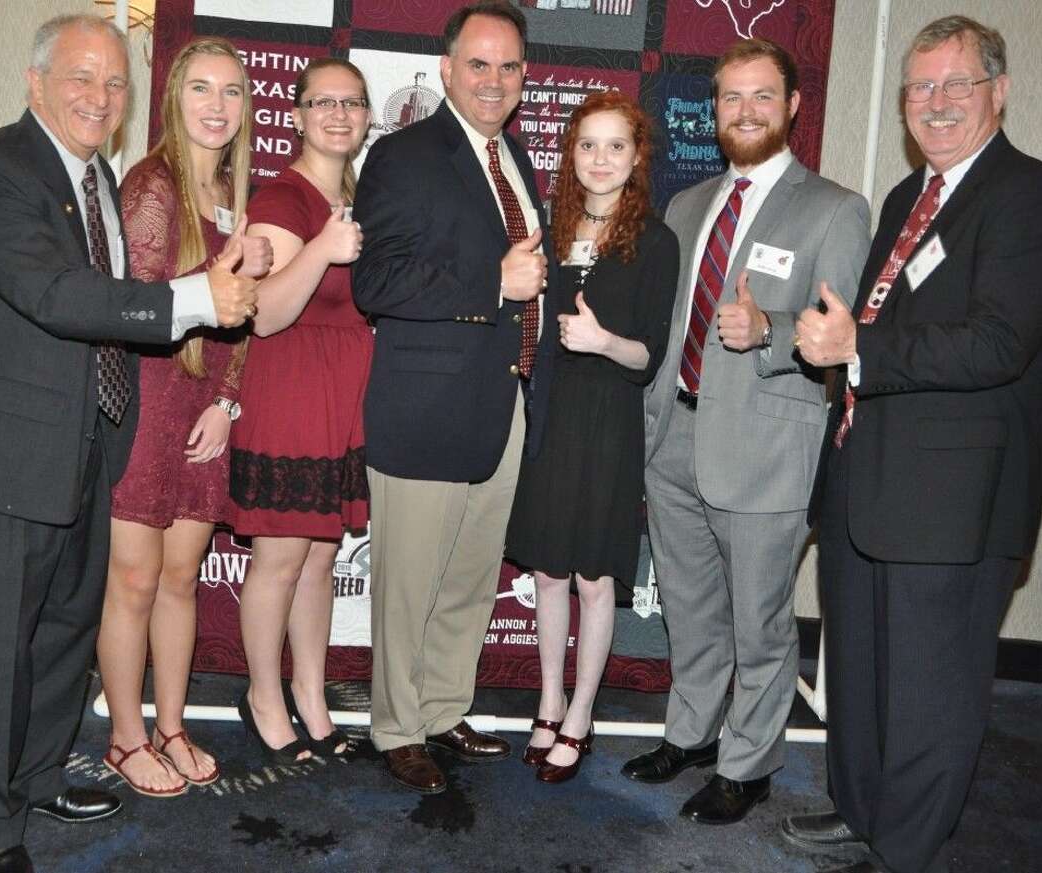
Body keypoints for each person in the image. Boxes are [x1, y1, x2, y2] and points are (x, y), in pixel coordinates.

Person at [0, 14, 257, 873]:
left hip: (81, 455)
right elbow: (57, 295)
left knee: (63, 636)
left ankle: (35, 779)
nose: (98, 97)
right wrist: (196, 299)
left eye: (113, 83)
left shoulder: (99, 176)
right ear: (35, 82)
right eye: (79, 77)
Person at [782, 16, 1042, 873]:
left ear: (1000, 91)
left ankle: (906, 849)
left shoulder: (1032, 196)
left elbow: (999, 344)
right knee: (862, 670)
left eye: (957, 83)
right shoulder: (906, 200)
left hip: (954, 501)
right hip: (869, 479)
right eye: (920, 87)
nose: (937, 102)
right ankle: (863, 813)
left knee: (930, 689)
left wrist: (858, 348)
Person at [623, 38, 870, 825]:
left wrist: (770, 331)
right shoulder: (688, 205)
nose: (746, 111)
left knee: (759, 623)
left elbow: (843, 332)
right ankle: (692, 733)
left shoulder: (835, 208)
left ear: (793, 105)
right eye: (731, 97)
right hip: (675, 438)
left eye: (763, 95)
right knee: (691, 608)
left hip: (766, 452)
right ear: (715, 109)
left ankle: (749, 763)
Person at [352, 0, 559, 794]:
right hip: (425, 408)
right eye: (478, 64)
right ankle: (398, 727)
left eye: (509, 66)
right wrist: (491, 281)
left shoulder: (517, 161)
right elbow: (376, 281)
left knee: (470, 579)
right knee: (409, 586)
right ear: (446, 69)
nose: (493, 80)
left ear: (524, 76)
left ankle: (441, 708)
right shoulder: (404, 154)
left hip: (502, 403)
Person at [96, 36, 266, 798]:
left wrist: (228, 402)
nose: (217, 105)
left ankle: (170, 727)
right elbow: (137, 305)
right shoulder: (153, 184)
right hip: (146, 400)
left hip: (204, 408)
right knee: (134, 580)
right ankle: (125, 738)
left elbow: (243, 312)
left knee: (178, 579)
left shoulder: (235, 191)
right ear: (173, 97)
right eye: (202, 88)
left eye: (231, 91)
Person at [505, 91, 679, 783]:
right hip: (549, 414)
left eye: (615, 146)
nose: (600, 159)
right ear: (569, 155)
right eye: (587, 145)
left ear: (636, 158)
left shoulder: (656, 242)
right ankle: (548, 702)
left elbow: (650, 356)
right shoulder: (549, 231)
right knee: (549, 572)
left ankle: (581, 714)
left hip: (609, 422)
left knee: (594, 578)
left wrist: (603, 340)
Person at [228, 57, 371, 765]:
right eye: (323, 102)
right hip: (290, 391)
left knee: (319, 557)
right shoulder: (285, 198)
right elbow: (265, 313)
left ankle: (312, 698)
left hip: (339, 395)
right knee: (281, 560)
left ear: (368, 117)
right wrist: (321, 249)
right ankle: (262, 697)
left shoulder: (354, 193)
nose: (339, 115)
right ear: (296, 116)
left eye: (352, 103)